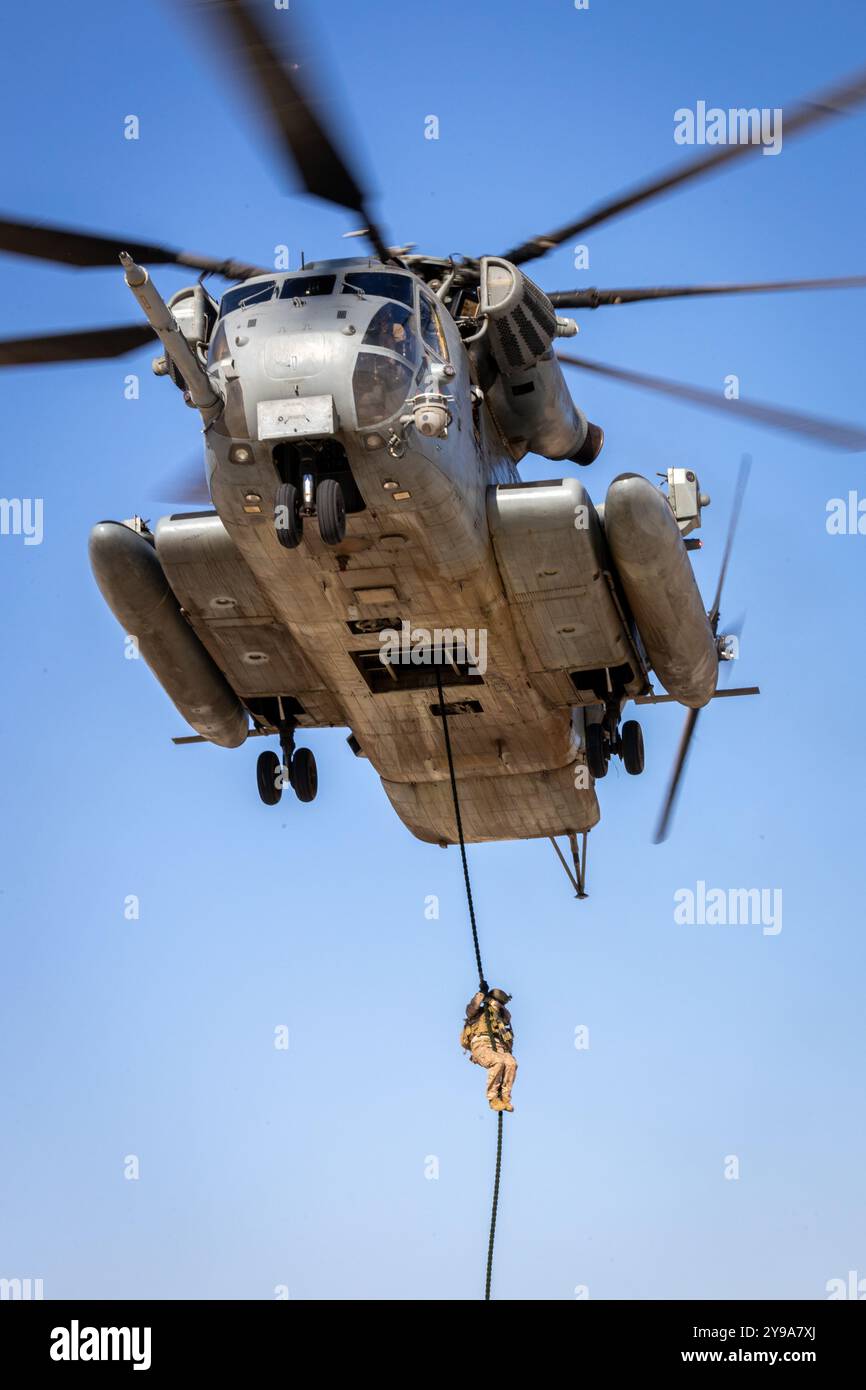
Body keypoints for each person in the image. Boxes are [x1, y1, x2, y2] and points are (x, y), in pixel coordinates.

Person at [460, 986, 517, 1113]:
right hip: (480, 1044)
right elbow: (471, 1008)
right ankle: (493, 1098)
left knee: (511, 1063)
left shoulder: (500, 1017)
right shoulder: (478, 1012)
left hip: (498, 1046)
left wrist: (497, 1005)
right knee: (498, 1062)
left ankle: (505, 1097)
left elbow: (508, 1017)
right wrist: (481, 994)